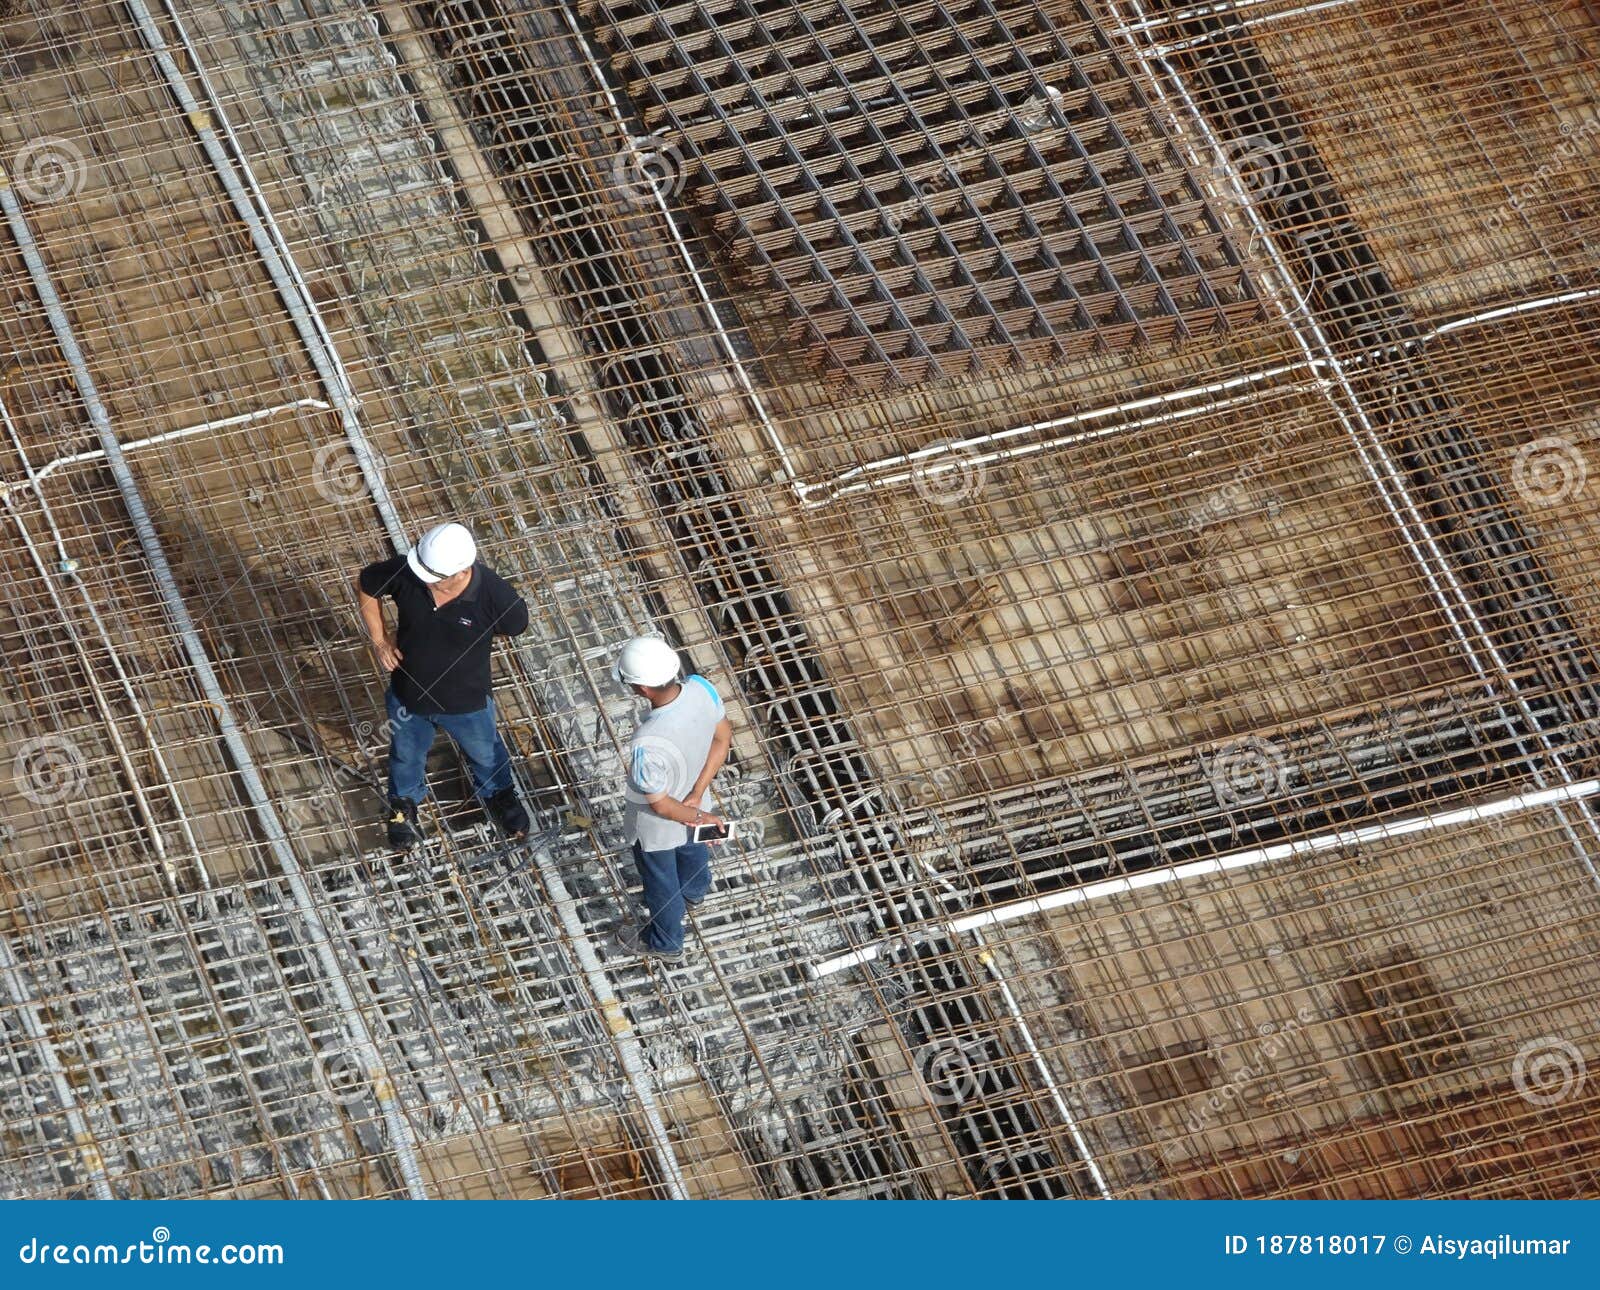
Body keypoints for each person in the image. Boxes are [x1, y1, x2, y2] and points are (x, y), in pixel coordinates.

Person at [356, 522, 530, 849]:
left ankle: (500, 795)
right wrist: (379, 641)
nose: (424, 579)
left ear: (462, 571)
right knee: (405, 756)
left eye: (433, 576)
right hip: (409, 696)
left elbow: (515, 624)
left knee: (486, 753)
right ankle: (403, 804)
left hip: (467, 701)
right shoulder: (411, 571)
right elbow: (368, 584)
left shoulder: (495, 596)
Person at [613, 635, 733, 961]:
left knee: (661, 882)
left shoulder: (647, 741)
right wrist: (697, 796)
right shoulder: (702, 687)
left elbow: (661, 805)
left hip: (658, 828)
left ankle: (666, 944)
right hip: (698, 804)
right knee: (693, 849)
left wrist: (697, 815)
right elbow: (723, 739)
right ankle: (694, 893)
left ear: (642, 689)